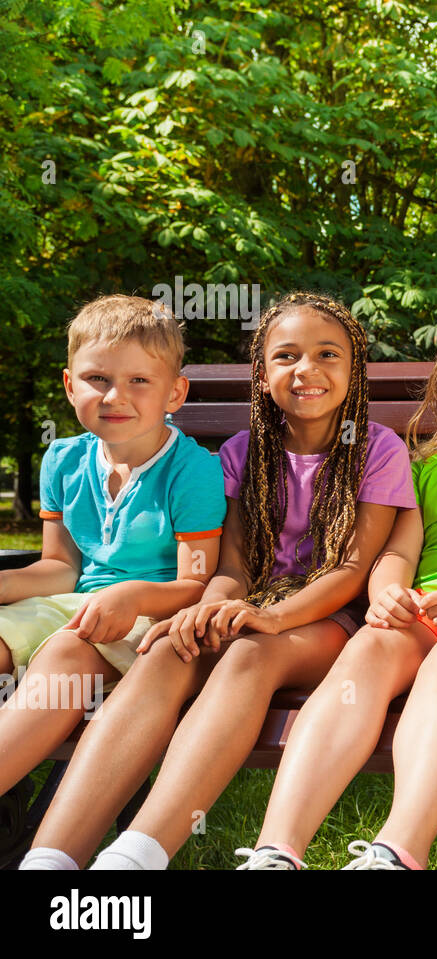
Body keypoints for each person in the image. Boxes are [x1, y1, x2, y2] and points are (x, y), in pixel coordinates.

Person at [20, 292, 414, 870]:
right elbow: (231, 568)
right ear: (262, 372)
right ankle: (50, 860)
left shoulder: (378, 449)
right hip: (252, 606)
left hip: (326, 618)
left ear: (354, 370)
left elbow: (352, 570)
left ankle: (137, 856)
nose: (306, 370)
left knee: (249, 655)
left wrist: (274, 616)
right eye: (286, 356)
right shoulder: (240, 453)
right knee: (167, 649)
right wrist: (210, 607)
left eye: (328, 354)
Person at [236, 303, 437, 870]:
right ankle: (276, 850)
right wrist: (389, 592)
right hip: (428, 608)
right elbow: (399, 549)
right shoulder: (426, 466)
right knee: (365, 651)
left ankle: (398, 850)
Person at [0, 295, 224, 816]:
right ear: (69, 385)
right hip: (76, 602)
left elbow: (196, 584)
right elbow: (59, 570)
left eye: (138, 381)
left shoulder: (192, 471)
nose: (115, 396)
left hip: (154, 617)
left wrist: (128, 595)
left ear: (175, 392)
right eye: (97, 378)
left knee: (63, 657)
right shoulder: (63, 460)